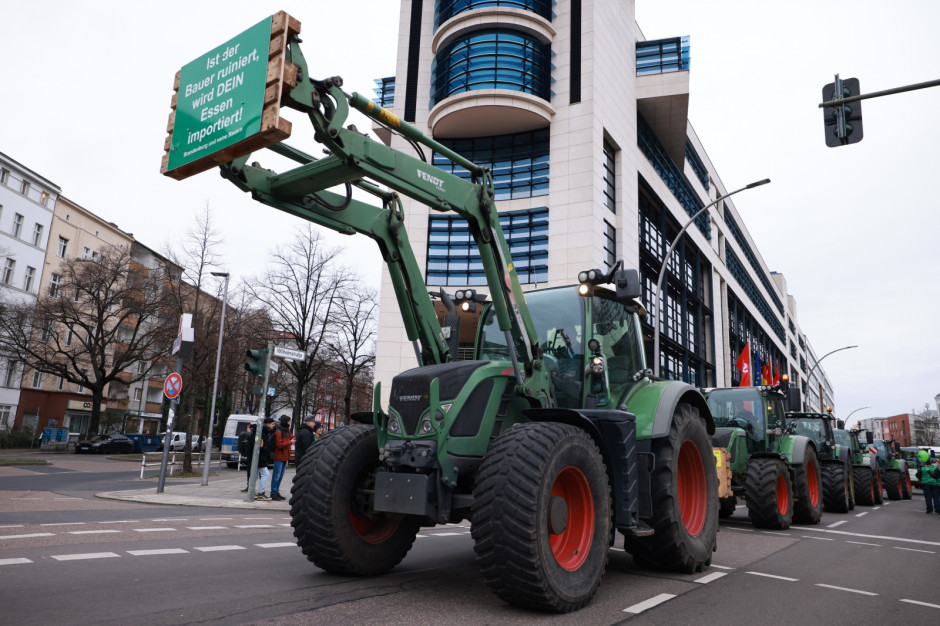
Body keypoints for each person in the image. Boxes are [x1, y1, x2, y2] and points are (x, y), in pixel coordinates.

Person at [270, 416, 295, 501]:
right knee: (276, 476)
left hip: (285, 456)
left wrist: (294, 439)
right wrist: (290, 442)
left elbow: (292, 437)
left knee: (280, 476)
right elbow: (279, 445)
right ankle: (273, 493)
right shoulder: (279, 432)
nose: (290, 422)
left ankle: (276, 492)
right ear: (286, 422)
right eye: (289, 421)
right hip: (279, 456)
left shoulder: (286, 430)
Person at [255, 416, 277, 501]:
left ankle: (253, 491)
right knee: (266, 474)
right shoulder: (263, 433)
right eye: (272, 424)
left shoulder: (264, 432)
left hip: (260, 456)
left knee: (255, 475)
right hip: (261, 457)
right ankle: (261, 493)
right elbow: (262, 446)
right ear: (267, 424)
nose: (273, 426)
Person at [238, 423, 256, 492]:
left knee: (253, 472)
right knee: (251, 471)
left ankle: (251, 486)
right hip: (250, 455)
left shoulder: (250, 434)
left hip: (251, 455)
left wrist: (249, 431)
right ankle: (250, 486)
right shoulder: (251, 434)